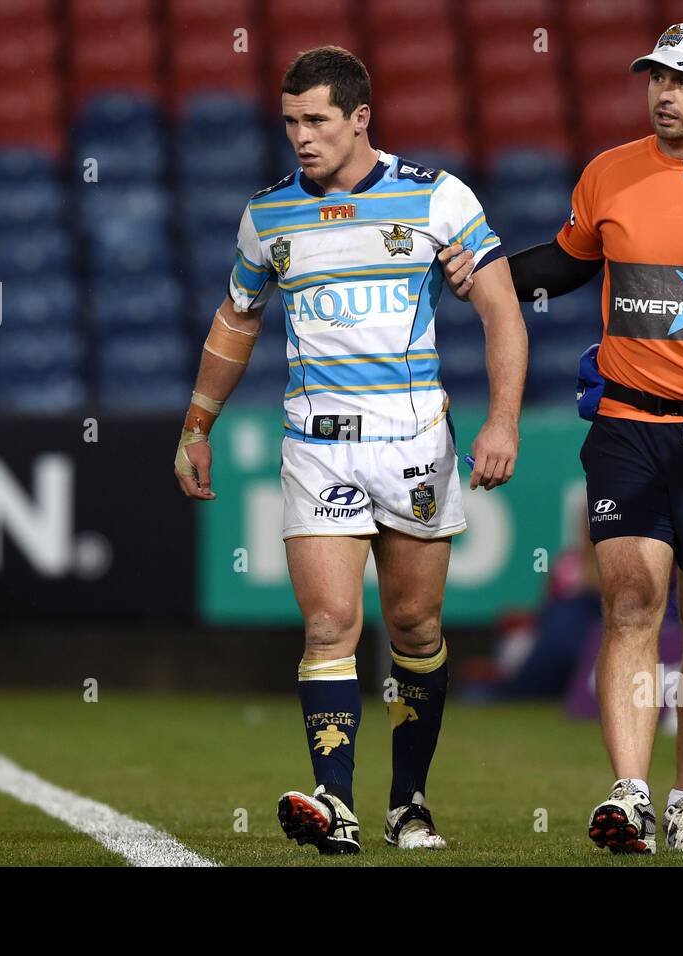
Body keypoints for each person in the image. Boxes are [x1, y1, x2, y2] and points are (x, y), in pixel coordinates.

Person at [438, 23, 683, 853]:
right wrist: (489, 272)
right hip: (624, 423)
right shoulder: (608, 173)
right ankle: (630, 795)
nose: (663, 92)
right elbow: (573, 262)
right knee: (630, 605)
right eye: (656, 76)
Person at [174, 47, 527, 854]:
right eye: (291, 120)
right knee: (330, 622)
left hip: (414, 448)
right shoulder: (267, 216)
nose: (300, 136)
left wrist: (502, 421)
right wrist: (198, 426)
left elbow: (503, 311)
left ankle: (410, 800)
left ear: (360, 118)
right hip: (316, 448)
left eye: (317, 121)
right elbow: (237, 319)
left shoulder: (438, 200)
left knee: (413, 623)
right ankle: (335, 802)